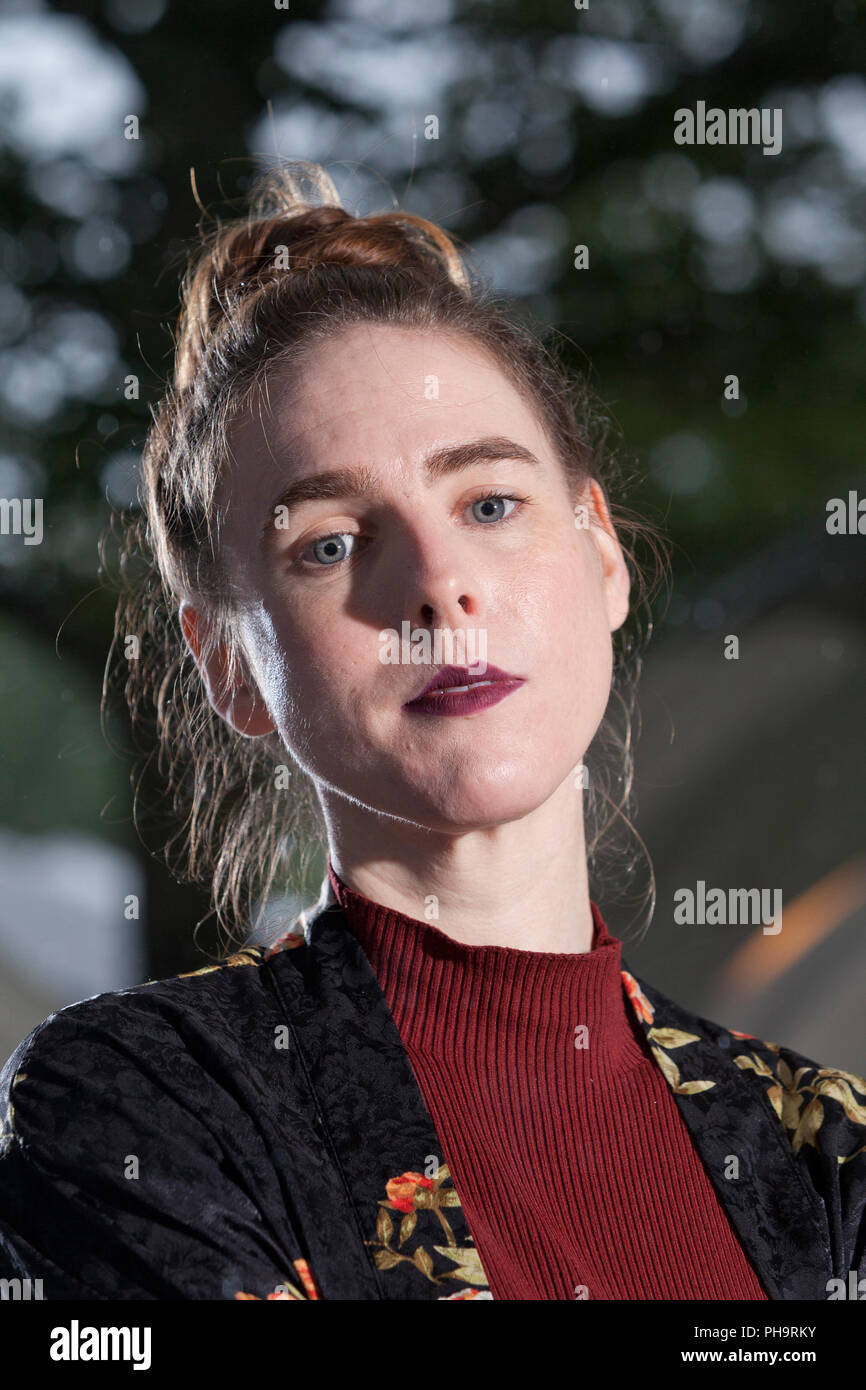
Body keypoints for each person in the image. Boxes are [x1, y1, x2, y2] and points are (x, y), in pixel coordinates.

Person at [0, 160, 864, 1302]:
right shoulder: (139, 1102)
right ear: (229, 665)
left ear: (600, 553)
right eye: (329, 543)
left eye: (489, 505)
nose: (439, 586)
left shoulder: (821, 1147)